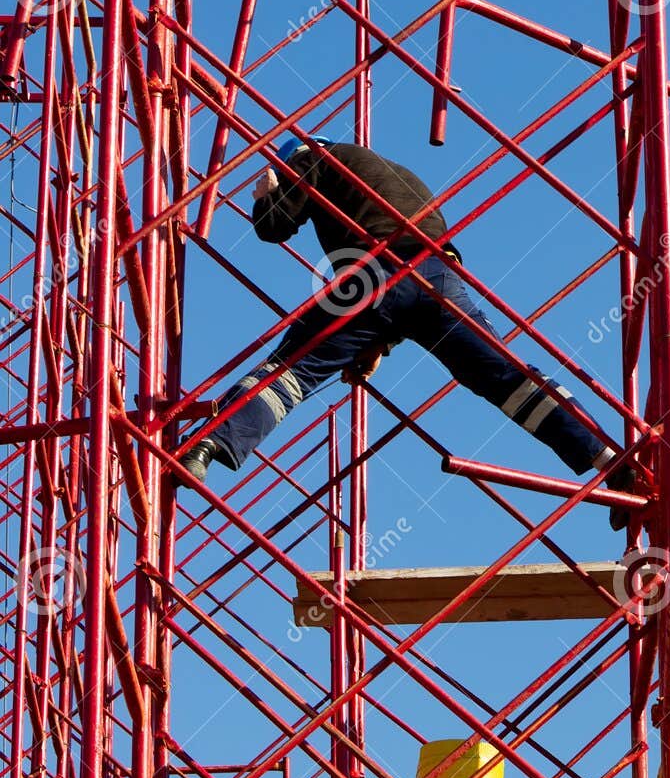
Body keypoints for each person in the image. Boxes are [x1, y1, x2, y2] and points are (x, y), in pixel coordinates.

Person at [180, 136, 633, 520]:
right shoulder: (398, 176)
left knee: (292, 371)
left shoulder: (313, 157)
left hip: (373, 272)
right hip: (437, 277)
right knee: (509, 377)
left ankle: (209, 444)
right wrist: (381, 339)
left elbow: (275, 227)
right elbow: (406, 292)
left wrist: (266, 194)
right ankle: (610, 460)